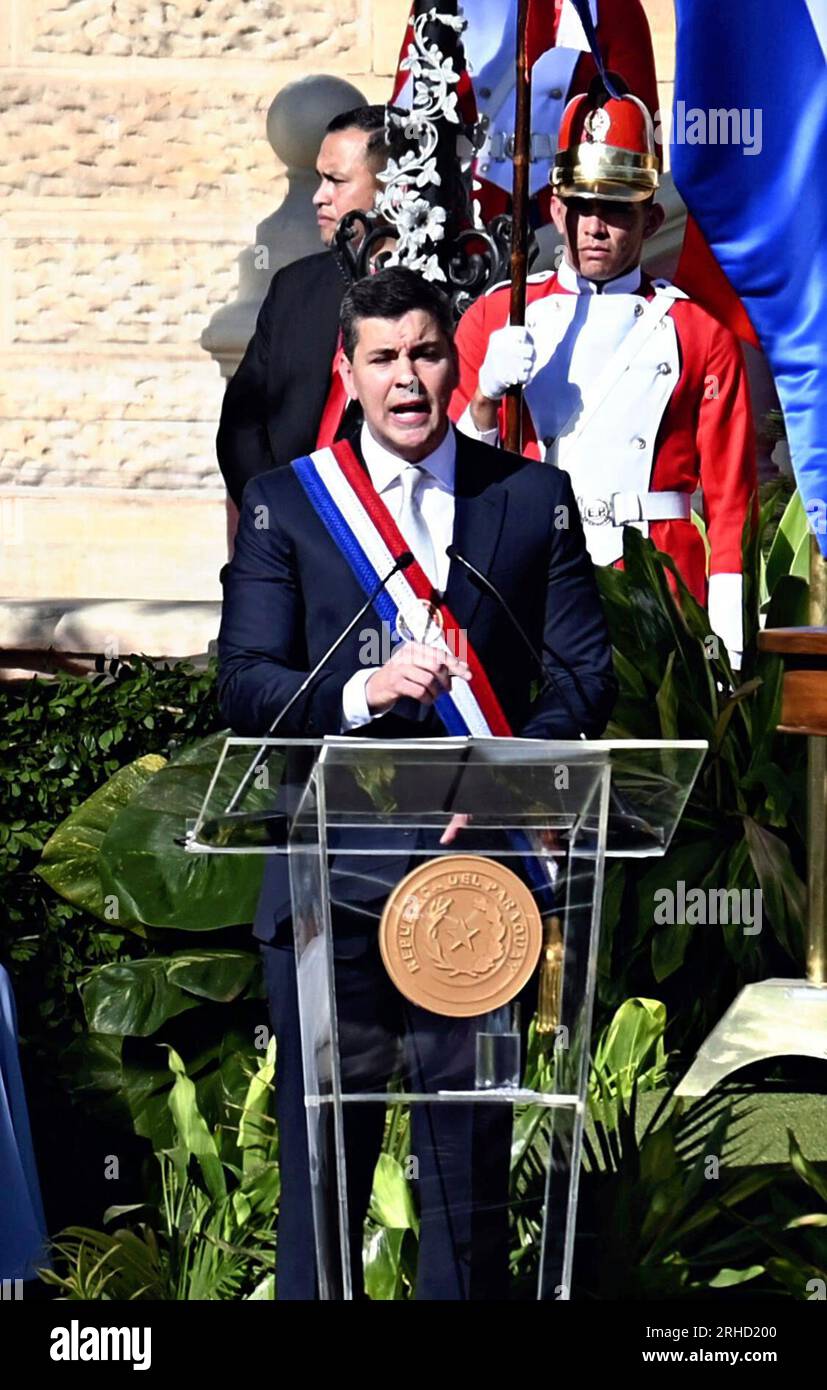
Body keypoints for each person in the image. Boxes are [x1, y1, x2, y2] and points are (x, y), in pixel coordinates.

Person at [217, 267, 616, 1299]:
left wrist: (498, 787)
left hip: (471, 887)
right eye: (383, 358)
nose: (407, 378)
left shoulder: (527, 498)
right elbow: (247, 686)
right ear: (347, 374)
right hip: (330, 890)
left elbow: (580, 675)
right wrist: (362, 688)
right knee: (323, 1179)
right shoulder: (287, 508)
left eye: (426, 352)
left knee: (466, 1181)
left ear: (456, 359)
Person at [450, 76, 757, 668]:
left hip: (659, 582)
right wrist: (485, 401)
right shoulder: (496, 314)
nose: (595, 226)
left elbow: (729, 501)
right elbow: (454, 480)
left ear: (650, 218)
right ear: (557, 208)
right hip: (534, 574)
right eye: (582, 206)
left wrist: (728, 636)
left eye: (616, 208)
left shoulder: (701, 333)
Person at [216, 105, 391, 508]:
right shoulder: (295, 288)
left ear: (392, 187)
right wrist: (277, 516)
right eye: (319, 179)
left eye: (337, 181)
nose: (319, 197)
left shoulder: (438, 293)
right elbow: (241, 424)